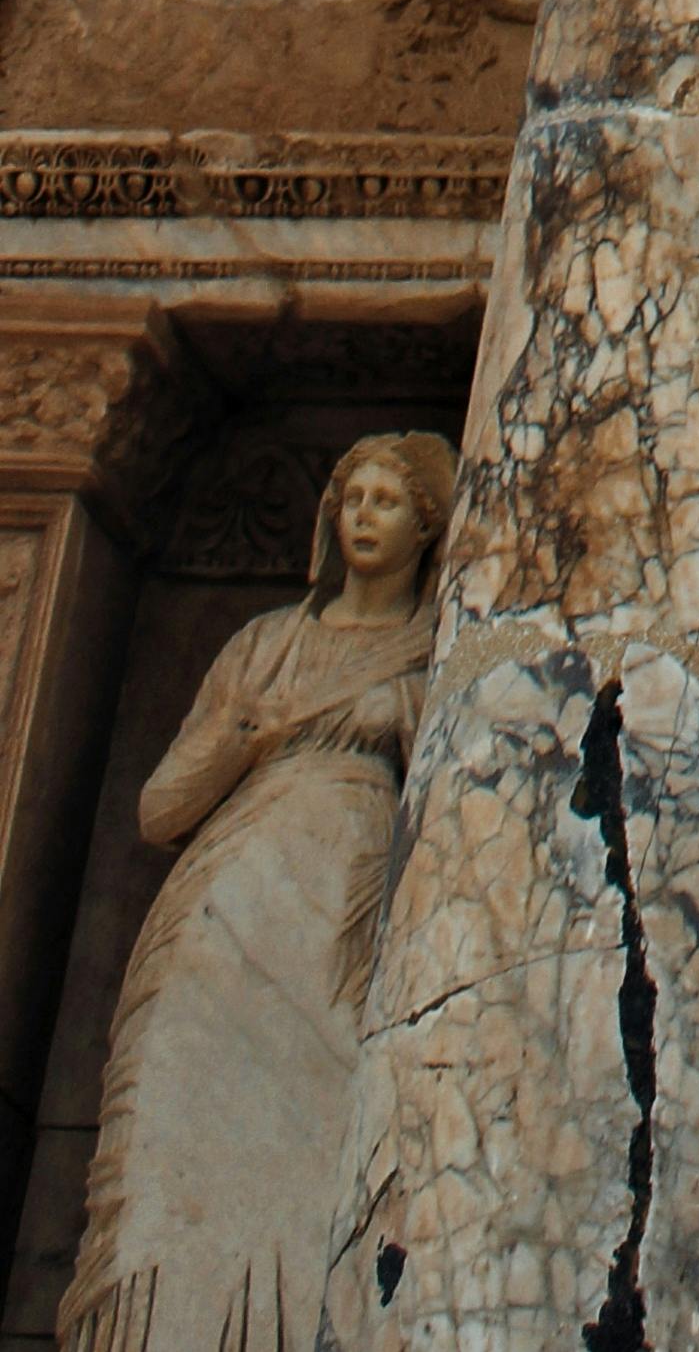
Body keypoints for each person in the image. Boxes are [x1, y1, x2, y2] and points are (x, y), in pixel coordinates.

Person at [58, 430, 456, 1352]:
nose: (362, 515)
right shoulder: (266, 642)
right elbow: (160, 808)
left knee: (311, 1153)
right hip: (215, 912)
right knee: (168, 1138)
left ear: (425, 527)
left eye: (385, 501)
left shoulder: (433, 647)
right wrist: (240, 736)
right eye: (349, 498)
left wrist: (404, 713)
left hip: (335, 921)